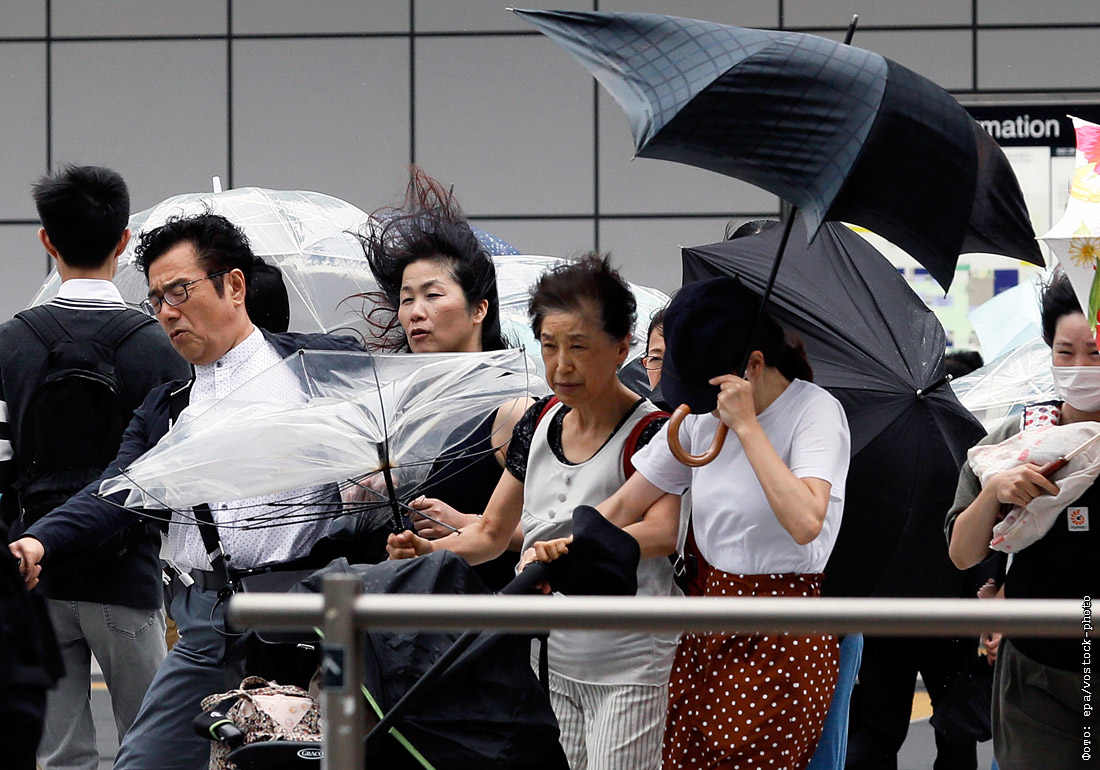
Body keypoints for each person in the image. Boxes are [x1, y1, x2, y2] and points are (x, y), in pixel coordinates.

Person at [9, 212, 363, 770]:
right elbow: (116, 493)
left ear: (235, 285)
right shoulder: (167, 407)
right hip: (208, 621)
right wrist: (38, 542)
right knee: (143, 761)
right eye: (155, 299)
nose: (167, 311)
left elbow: (399, 442)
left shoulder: (319, 369)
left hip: (310, 618)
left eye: (180, 290)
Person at [543, 276, 851, 770]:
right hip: (705, 624)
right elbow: (624, 504)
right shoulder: (699, 420)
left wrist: (748, 427)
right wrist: (562, 549)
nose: (694, 403)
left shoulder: (814, 412)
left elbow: (806, 520)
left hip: (781, 630)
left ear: (751, 365)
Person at [388, 253, 681, 770]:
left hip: (632, 659)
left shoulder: (651, 431)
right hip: (549, 655)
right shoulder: (538, 422)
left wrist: (574, 545)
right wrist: (428, 550)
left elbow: (664, 531)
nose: (561, 366)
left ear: (621, 349)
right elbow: (493, 534)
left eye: (579, 347)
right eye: (549, 346)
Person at [0, 165, 190, 770]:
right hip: (127, 578)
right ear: (125, 241)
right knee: (150, 747)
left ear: (46, 240)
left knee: (58, 756)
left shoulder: (10, 344)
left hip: (31, 574)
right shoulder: (160, 345)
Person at [946, 269, 1096, 770]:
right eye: (1064, 351)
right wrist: (994, 491)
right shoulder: (1013, 442)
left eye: (1095, 352)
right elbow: (962, 553)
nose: (1079, 367)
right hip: (1034, 676)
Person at [356, 167, 532, 590]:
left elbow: (556, 527)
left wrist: (470, 525)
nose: (416, 312)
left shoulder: (512, 408)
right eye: (406, 299)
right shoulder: (395, 407)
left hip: (481, 626)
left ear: (478, 309)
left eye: (433, 295)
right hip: (402, 628)